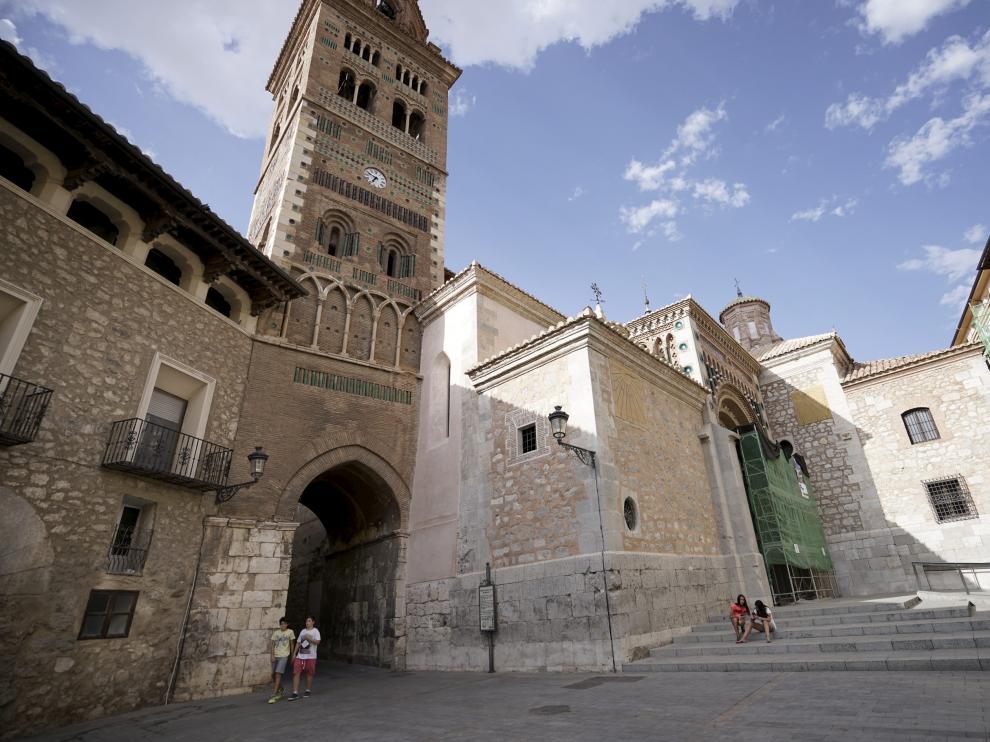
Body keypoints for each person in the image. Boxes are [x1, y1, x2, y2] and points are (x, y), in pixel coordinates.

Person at [288, 616, 321, 701]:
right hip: (300, 655)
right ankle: (295, 692)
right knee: (296, 673)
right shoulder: (303, 631)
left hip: (311, 656)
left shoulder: (315, 631)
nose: (307, 623)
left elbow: (317, 642)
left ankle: (308, 690)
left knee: (309, 673)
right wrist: (294, 654)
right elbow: (298, 643)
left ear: (313, 622)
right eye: (306, 621)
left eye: (309, 621)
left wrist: (309, 638)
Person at [268, 617, 295, 703]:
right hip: (276, 655)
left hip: (284, 655)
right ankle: (280, 688)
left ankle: (274, 693)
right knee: (273, 675)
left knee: (278, 674)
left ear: (287, 624)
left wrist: (292, 655)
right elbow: (272, 644)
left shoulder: (290, 632)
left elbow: (291, 644)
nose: (283, 625)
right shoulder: (276, 633)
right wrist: (272, 655)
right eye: (281, 624)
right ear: (280, 625)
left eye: (284, 623)